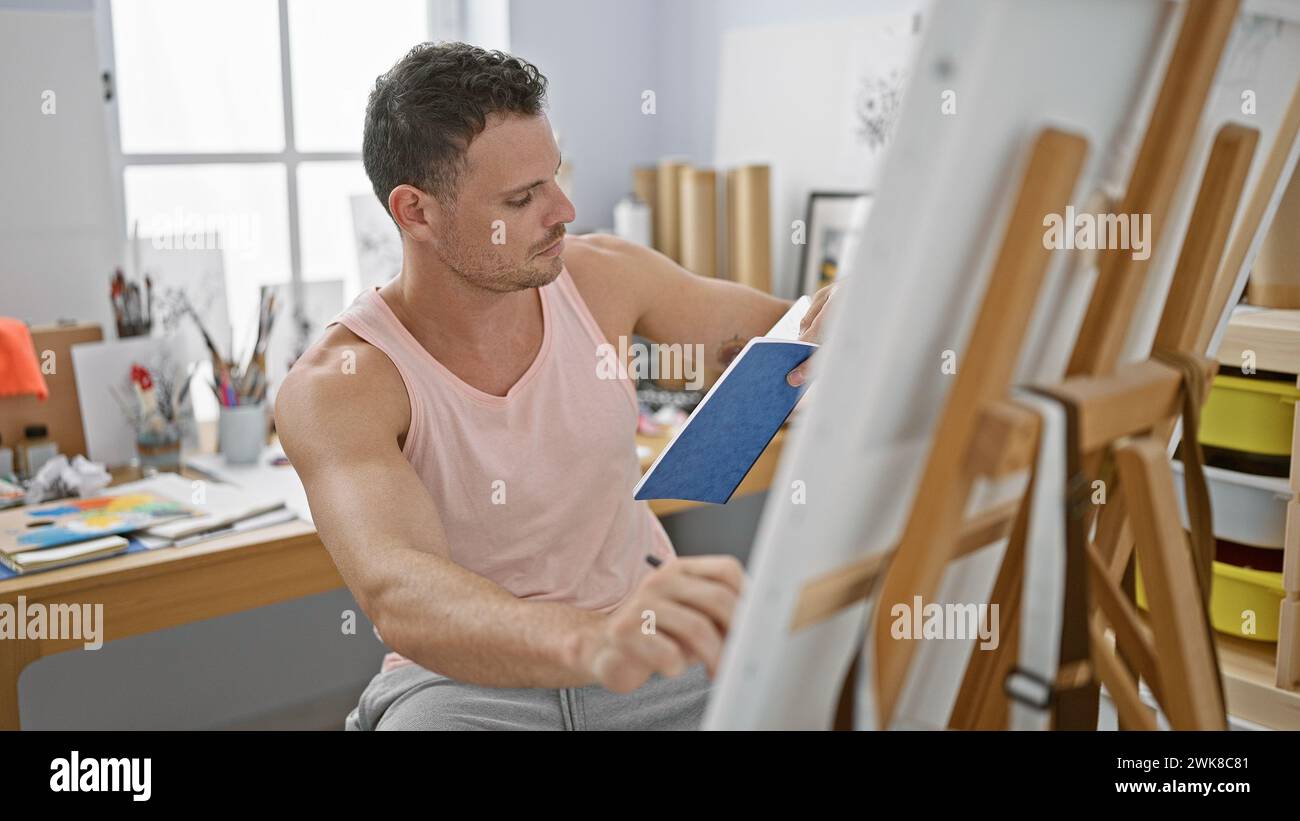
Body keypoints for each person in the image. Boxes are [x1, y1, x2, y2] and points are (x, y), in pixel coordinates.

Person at [275, 41, 837, 730]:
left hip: (647, 645)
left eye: (556, 176)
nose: (564, 209)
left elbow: (789, 332)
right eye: (522, 198)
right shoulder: (341, 384)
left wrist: (848, 316)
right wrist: (591, 643)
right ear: (416, 212)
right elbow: (401, 591)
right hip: (462, 687)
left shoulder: (603, 276)